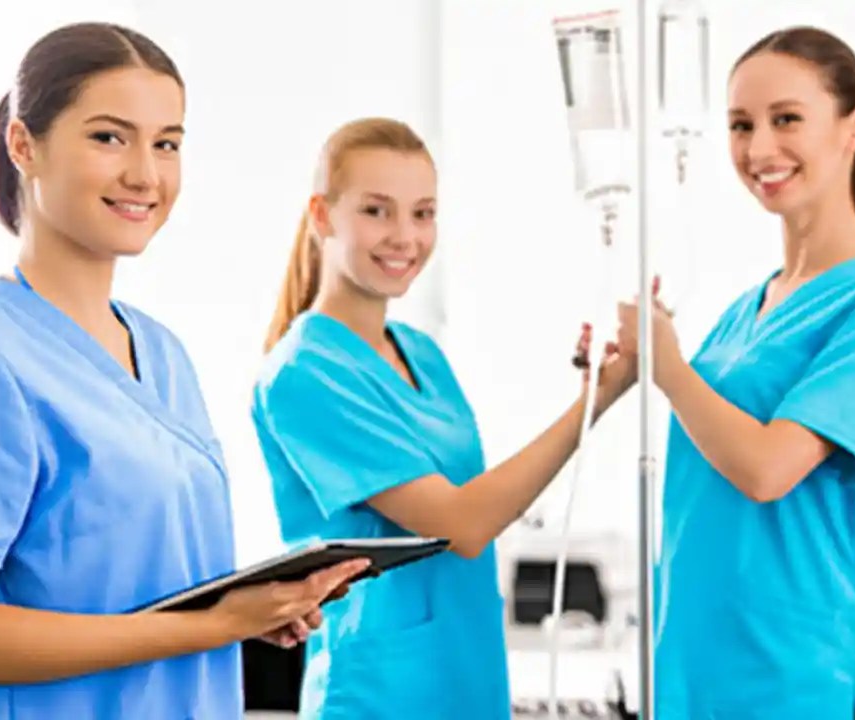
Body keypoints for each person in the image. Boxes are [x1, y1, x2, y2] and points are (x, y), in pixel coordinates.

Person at [0, 22, 367, 720]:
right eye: (110, 137)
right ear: (24, 145)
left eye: (167, 143)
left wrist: (252, 610)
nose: (146, 173)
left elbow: (137, 581)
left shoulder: (162, 352)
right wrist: (215, 625)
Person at [249, 117, 636, 718]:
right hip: (382, 693)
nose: (405, 236)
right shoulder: (304, 372)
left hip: (468, 671)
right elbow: (464, 524)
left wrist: (592, 394)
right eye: (377, 211)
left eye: (423, 213)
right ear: (323, 216)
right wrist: (593, 405)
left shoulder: (421, 354)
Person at [613, 26, 855, 719]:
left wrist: (670, 369)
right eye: (741, 125)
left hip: (796, 682)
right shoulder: (747, 309)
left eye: (786, 119)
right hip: (695, 677)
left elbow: (768, 470)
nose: (759, 149)